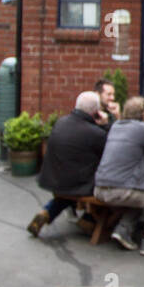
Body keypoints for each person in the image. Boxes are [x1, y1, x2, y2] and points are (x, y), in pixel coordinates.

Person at [93, 96, 144, 256]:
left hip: (100, 187)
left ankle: (123, 229)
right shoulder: (143, 129)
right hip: (119, 190)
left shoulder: (116, 126)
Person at [27, 91, 109, 237]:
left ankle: (46, 212)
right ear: (96, 112)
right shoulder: (96, 133)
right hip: (78, 185)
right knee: (108, 185)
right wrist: (105, 126)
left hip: (53, 180)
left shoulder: (60, 122)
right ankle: (88, 219)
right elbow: (109, 154)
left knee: (67, 192)